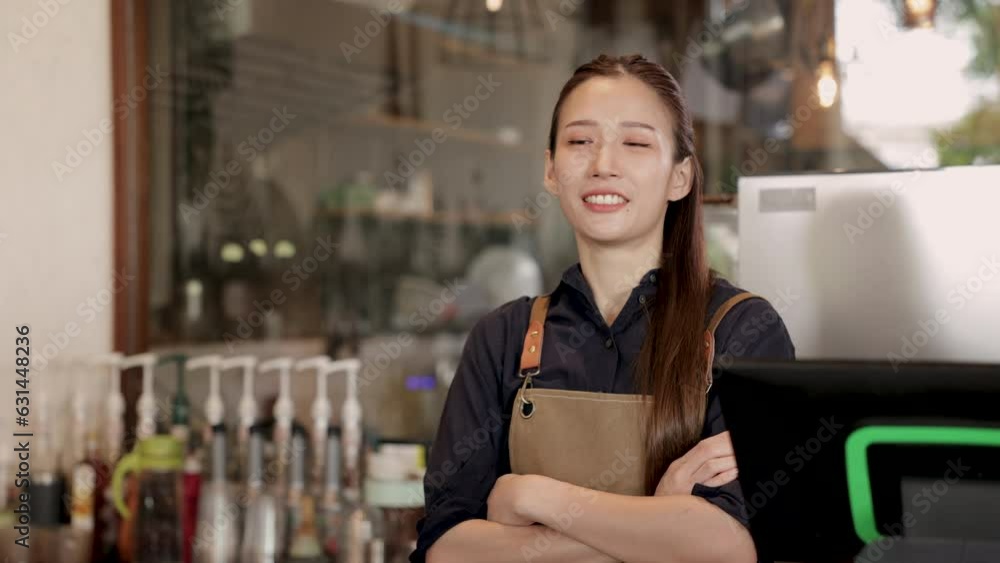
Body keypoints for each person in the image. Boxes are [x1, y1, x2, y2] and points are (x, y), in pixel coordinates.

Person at [411, 53, 795, 563]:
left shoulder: (743, 331)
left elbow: (731, 547)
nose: (603, 165)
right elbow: (445, 548)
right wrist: (659, 520)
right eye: (579, 141)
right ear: (551, 169)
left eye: (635, 143)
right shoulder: (502, 339)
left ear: (680, 178)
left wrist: (532, 497)